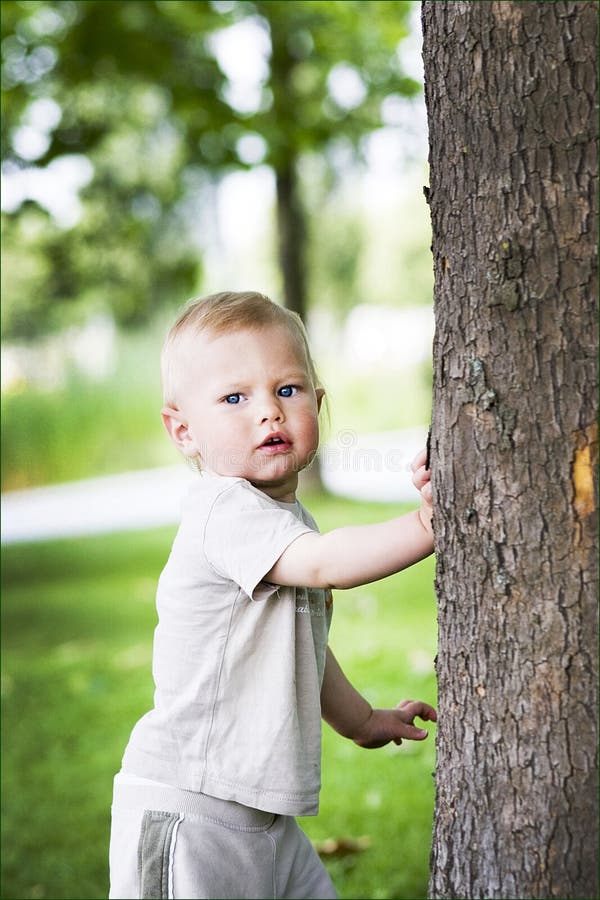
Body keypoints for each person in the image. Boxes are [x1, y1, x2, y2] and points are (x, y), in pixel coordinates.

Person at [108, 291, 436, 900]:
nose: (269, 413)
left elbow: (303, 648)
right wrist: (427, 526)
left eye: (288, 390)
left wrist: (361, 720)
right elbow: (328, 565)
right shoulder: (223, 511)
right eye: (235, 398)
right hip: (191, 813)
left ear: (319, 403)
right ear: (183, 431)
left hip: (264, 820)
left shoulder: (287, 523)